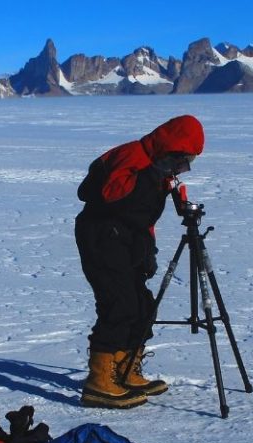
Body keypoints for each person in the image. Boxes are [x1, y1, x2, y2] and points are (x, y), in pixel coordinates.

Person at [74, 115, 204, 409]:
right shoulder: (133, 157)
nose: (181, 169)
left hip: (127, 240)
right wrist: (150, 176)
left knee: (142, 305)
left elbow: (142, 219)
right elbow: (113, 197)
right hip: (102, 236)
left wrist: (147, 250)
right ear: (169, 149)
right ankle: (100, 381)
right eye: (181, 161)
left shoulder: (156, 167)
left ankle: (126, 368)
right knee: (118, 305)